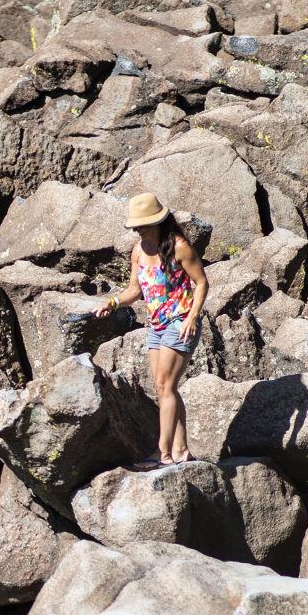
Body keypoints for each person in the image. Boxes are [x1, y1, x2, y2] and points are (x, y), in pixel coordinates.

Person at [95, 191, 208, 466]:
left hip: (180, 321)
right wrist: (113, 301)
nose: (137, 229)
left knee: (164, 385)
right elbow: (135, 291)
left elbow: (202, 283)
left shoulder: (179, 247)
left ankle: (163, 453)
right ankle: (181, 450)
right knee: (164, 388)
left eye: (142, 224)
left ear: (158, 222)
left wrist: (193, 317)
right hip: (156, 325)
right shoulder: (138, 251)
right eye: (135, 225)